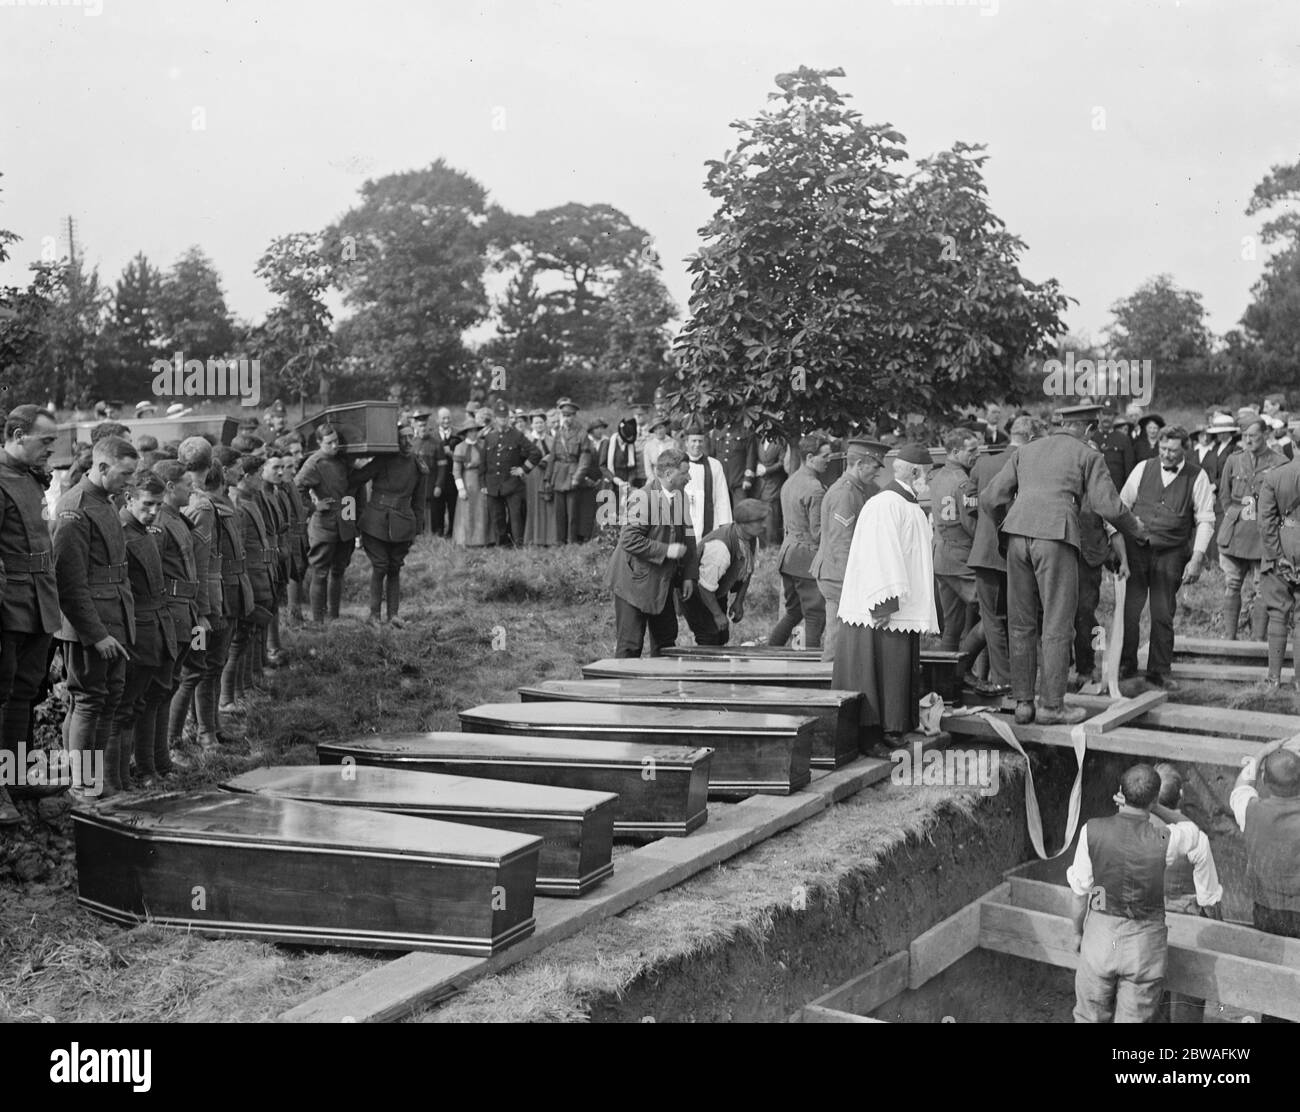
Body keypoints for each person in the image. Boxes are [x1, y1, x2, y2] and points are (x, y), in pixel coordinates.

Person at [982, 404, 1146, 726]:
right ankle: (1052, 706)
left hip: (1016, 537)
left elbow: (990, 498)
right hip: (1056, 537)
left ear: (1060, 423)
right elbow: (1107, 506)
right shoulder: (1088, 454)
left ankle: (1024, 705)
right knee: (1057, 623)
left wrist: (1011, 522)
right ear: (1089, 429)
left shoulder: (1026, 450)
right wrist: (1137, 529)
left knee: (1021, 623)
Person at [1068, 763, 1222, 1024]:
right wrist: (1158, 806)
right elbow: (1195, 833)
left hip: (1100, 941)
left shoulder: (1090, 830)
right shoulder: (1166, 839)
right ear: (1153, 799)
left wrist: (1077, 932)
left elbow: (1080, 894)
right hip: (1144, 948)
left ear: (1121, 792)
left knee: (1088, 1018)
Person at [834, 445, 938, 753]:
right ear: (915, 472)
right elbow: (880, 553)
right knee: (874, 668)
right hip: (879, 606)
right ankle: (870, 735)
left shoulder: (907, 505)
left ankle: (894, 727)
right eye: (928, 474)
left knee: (895, 667)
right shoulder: (885, 505)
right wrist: (885, 603)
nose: (929, 481)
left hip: (900, 605)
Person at [53, 435, 138, 803]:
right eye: (125, 473)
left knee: (107, 698)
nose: (130, 482)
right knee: (88, 699)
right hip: (91, 626)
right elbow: (69, 584)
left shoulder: (105, 501)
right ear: (102, 467)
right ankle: (82, 785)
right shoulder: (75, 508)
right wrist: (96, 634)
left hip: (115, 618)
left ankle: (95, 779)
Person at [1117, 425, 1215, 690]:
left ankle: (1159, 671)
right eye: (1163, 449)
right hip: (1138, 549)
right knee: (1130, 610)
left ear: (1185, 448)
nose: (1167, 455)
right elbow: (1122, 505)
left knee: (1162, 612)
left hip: (1171, 553)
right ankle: (1125, 665)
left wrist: (1197, 558)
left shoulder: (1198, 476)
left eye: (1172, 450)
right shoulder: (1142, 468)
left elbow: (1205, 519)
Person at [0, 406, 62, 824]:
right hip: (8, 606)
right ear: (19, 435)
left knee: (24, 693)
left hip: (39, 601)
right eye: (45, 442)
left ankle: (18, 776)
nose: (50, 450)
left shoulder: (29, 477)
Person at [113, 473, 175, 788]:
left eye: (158, 505)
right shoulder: (120, 533)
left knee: (139, 703)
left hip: (155, 628)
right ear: (129, 499)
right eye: (147, 504)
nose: (153, 511)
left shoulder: (147, 531)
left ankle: (139, 771)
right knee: (123, 708)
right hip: (134, 631)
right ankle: (120, 780)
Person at [606, 447, 698, 658]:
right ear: (669, 474)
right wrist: (667, 550)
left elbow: (689, 538)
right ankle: (624, 690)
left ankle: (662, 690)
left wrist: (689, 576)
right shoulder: (643, 498)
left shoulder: (679, 495)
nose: (689, 477)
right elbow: (629, 539)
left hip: (661, 580)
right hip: (633, 581)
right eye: (685, 473)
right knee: (630, 644)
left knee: (666, 642)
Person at [968, 418, 1037, 691]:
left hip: (985, 551)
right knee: (1010, 620)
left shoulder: (983, 463)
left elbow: (973, 508)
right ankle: (1004, 680)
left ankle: (988, 675)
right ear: (1031, 437)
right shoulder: (1030, 462)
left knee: (992, 621)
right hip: (1014, 550)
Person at [145, 460, 204, 770]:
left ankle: (162, 757)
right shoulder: (160, 524)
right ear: (169, 487)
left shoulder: (175, 519)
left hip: (185, 612)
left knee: (169, 685)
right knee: (159, 689)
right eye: (186, 484)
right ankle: (154, 759)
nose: (192, 488)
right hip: (170, 614)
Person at [811, 437, 885, 663]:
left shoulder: (858, 489)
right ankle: (830, 683)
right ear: (860, 464)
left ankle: (834, 680)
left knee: (841, 635)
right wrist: (853, 584)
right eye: (874, 467)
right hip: (838, 575)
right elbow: (841, 544)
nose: (877, 473)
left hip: (837, 573)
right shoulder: (845, 493)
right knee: (841, 636)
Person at [929, 427, 988, 692]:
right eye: (972, 450)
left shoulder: (938, 477)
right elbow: (971, 525)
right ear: (955, 451)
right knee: (994, 613)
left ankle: (942, 685)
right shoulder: (965, 483)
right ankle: (961, 672)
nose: (977, 454)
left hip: (941, 557)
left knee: (951, 626)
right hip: (962, 558)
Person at [350, 422, 426, 625]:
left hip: (403, 523)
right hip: (376, 521)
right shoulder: (383, 460)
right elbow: (357, 478)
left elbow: (419, 500)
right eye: (402, 437)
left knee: (395, 567)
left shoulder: (418, 464)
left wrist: (417, 529)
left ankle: (394, 615)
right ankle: (374, 615)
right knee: (380, 566)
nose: (407, 441)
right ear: (395, 440)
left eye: (410, 436)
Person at [1217, 418, 1286, 641]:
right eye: (1244, 435)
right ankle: (1229, 638)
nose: (1248, 440)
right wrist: (1233, 515)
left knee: (1261, 587)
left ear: (1265, 435)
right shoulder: (1234, 460)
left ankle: (1258, 641)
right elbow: (1224, 496)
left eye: (1253, 436)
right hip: (1235, 533)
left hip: (1263, 536)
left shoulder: (1280, 462)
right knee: (1232, 583)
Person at [1230, 734, 1300, 950]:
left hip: (1266, 908)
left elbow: (1241, 787)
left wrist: (1261, 753)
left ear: (1265, 781)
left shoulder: (1251, 810)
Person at [220, 457, 275, 712]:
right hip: (248, 579)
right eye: (258, 473)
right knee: (238, 640)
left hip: (256, 576)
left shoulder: (247, 502)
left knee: (246, 636)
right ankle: (229, 698)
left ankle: (240, 690)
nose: (260, 477)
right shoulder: (239, 507)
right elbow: (239, 550)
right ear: (245, 476)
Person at [769, 435, 829, 649]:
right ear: (810, 457)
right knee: (815, 615)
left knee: (793, 611)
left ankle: (769, 651)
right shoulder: (815, 488)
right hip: (806, 558)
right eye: (825, 456)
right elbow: (817, 532)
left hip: (788, 555)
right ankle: (811, 664)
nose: (828, 460)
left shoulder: (790, 481)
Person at [681, 499, 767, 646]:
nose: (764, 525)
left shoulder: (751, 539)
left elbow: (748, 570)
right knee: (708, 638)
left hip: (715, 590)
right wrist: (717, 614)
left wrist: (739, 601)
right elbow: (704, 586)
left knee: (722, 637)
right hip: (696, 592)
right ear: (743, 524)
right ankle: (701, 668)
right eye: (758, 521)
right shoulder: (720, 548)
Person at [295, 426, 357, 622]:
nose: (334, 445)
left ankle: (334, 616)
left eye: (336, 441)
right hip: (324, 524)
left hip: (345, 519)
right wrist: (314, 507)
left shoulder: (342, 460)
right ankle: (318, 620)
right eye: (329, 442)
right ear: (319, 443)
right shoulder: (314, 463)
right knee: (320, 572)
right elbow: (297, 488)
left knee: (339, 570)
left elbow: (354, 487)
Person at [1257, 450, 1300, 688]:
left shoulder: (1274, 477)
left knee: (1277, 613)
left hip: (1281, 546)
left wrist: (1277, 555)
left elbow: (1265, 522)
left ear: (1293, 444)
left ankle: (1273, 679)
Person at [481, 400, 542, 547]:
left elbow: (536, 452)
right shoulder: (489, 437)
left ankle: (518, 545)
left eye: (506, 417)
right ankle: (501, 545)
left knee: (515, 517)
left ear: (509, 418)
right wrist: (483, 484)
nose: (503, 420)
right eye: (500, 417)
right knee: (497, 517)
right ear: (495, 419)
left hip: (512, 483)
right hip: (493, 484)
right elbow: (484, 463)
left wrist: (523, 469)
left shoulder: (517, 435)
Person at [548, 398, 591, 544]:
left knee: (572, 512)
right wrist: (548, 478)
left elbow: (585, 459)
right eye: (565, 416)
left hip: (573, 473)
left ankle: (571, 540)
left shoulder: (582, 434)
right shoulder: (559, 434)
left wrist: (577, 478)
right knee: (559, 511)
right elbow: (552, 456)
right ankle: (560, 540)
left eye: (570, 415)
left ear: (575, 416)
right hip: (558, 474)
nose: (567, 419)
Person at [682, 426, 732, 541]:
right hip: (686, 517)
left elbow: (722, 496)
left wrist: (725, 524)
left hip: (709, 519)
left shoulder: (714, 465)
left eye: (700, 441)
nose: (697, 444)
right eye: (693, 441)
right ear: (686, 443)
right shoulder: (679, 463)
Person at [451, 419, 491, 547]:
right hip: (467, 482)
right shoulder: (460, 447)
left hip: (482, 481)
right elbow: (456, 471)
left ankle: (483, 540)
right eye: (471, 431)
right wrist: (461, 489)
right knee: (467, 511)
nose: (474, 433)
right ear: (466, 433)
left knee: (482, 510)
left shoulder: (484, 444)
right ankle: (466, 540)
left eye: (475, 430)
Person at [523, 412, 557, 546]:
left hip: (547, 474)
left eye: (541, 422)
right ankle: (533, 538)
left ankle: (548, 538)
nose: (539, 425)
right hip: (531, 475)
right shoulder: (526, 439)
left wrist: (548, 459)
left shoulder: (551, 439)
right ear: (531, 425)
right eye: (536, 422)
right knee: (533, 504)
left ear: (545, 424)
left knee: (548, 504)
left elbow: (555, 455)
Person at [605, 417, 644, 523]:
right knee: (611, 509)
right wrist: (614, 479)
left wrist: (629, 483)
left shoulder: (630, 446)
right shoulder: (609, 443)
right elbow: (603, 466)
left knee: (625, 509)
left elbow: (632, 468)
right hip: (612, 478)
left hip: (626, 480)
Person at [577, 418, 610, 540]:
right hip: (585, 480)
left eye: (602, 428)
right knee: (585, 508)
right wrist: (585, 478)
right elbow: (579, 462)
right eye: (597, 428)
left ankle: (598, 534)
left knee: (600, 506)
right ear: (591, 430)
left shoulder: (606, 441)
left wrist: (601, 479)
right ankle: (584, 535)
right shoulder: (584, 442)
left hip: (601, 479)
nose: (600, 431)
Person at [711, 422, 757, 509]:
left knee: (741, 511)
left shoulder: (746, 429)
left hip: (739, 481)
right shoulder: (717, 430)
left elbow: (751, 456)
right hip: (721, 480)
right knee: (721, 513)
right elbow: (712, 455)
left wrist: (748, 478)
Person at [754, 433, 788, 547]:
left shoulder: (780, 441)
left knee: (772, 513)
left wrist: (767, 470)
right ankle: (763, 543)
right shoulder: (761, 439)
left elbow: (782, 462)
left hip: (774, 482)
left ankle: (772, 543)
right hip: (761, 482)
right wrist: (759, 466)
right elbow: (757, 457)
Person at [1097, 407, 1136, 493]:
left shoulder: (1123, 439)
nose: (1106, 418)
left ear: (1115, 416)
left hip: (1116, 491)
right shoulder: (1092, 437)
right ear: (1099, 415)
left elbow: (1129, 469)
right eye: (1104, 414)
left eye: (1110, 414)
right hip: (1094, 491)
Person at [642, 413, 676, 480]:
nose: (658, 431)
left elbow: (677, 465)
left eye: (660, 428)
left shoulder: (673, 443)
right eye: (656, 429)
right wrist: (654, 481)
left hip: (670, 479)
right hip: (654, 479)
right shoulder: (648, 445)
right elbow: (648, 469)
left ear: (665, 428)